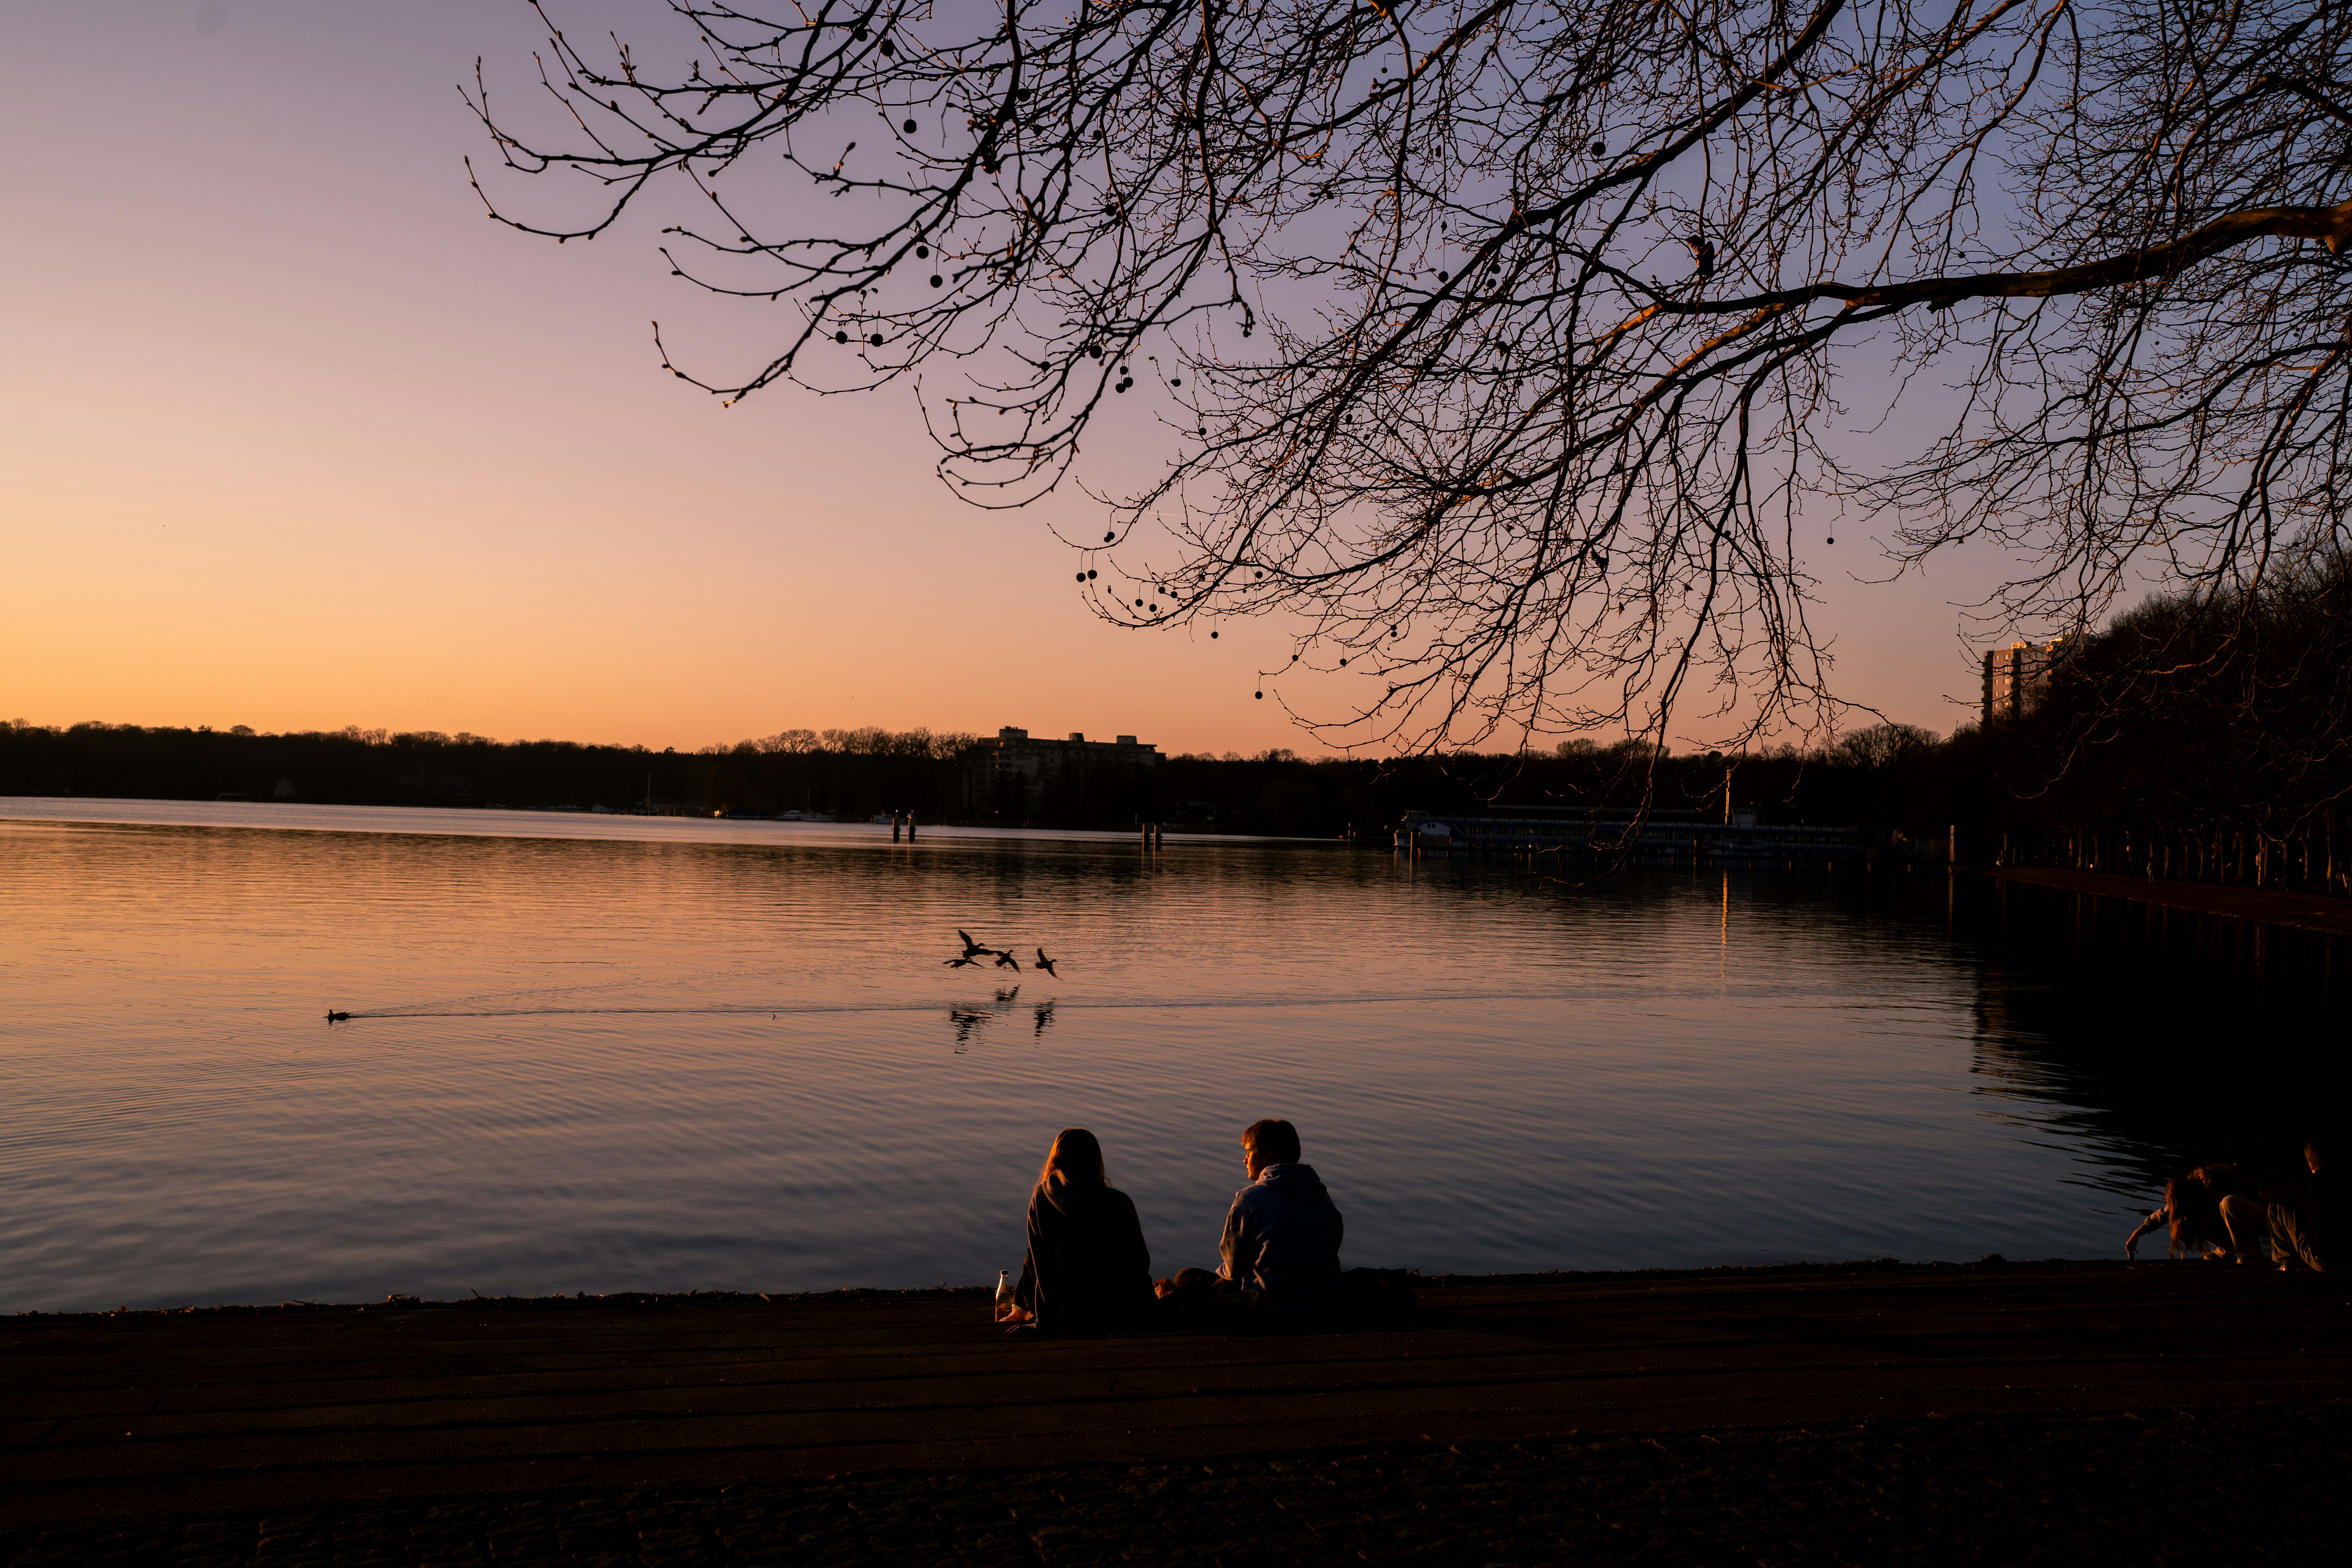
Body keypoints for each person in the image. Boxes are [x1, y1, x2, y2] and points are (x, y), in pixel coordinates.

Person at [1007, 1128, 1156, 1332]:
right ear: (1096, 1160)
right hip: (1122, 1311)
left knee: (1033, 1254)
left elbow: (1043, 1268)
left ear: (1057, 1158)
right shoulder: (1119, 1202)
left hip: (1068, 1312)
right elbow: (1140, 1263)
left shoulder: (1041, 1196)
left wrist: (1043, 1323)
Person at [1215, 1118, 1345, 1318]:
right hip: (1327, 1304)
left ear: (1267, 1155)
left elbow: (1233, 1269)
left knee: (1185, 1279)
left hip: (1275, 1306)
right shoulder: (1323, 1198)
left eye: (1249, 1153)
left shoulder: (1250, 1199)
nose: (1245, 1160)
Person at [2124, 1163, 2265, 1262]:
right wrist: (2136, 1236)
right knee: (2194, 1220)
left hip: (2272, 1217)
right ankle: (2231, 1251)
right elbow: (2165, 1213)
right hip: (2250, 1221)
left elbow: (2235, 1174)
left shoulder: (2212, 1182)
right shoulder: (2192, 1197)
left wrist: (2229, 1174)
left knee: (2229, 1203)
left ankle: (2250, 1257)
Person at [2261, 1137, 2332, 1272]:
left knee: (2278, 1204)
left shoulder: (2311, 1186)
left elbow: (2264, 1194)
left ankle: (2286, 1262)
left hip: (2325, 1261)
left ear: (2311, 1165)